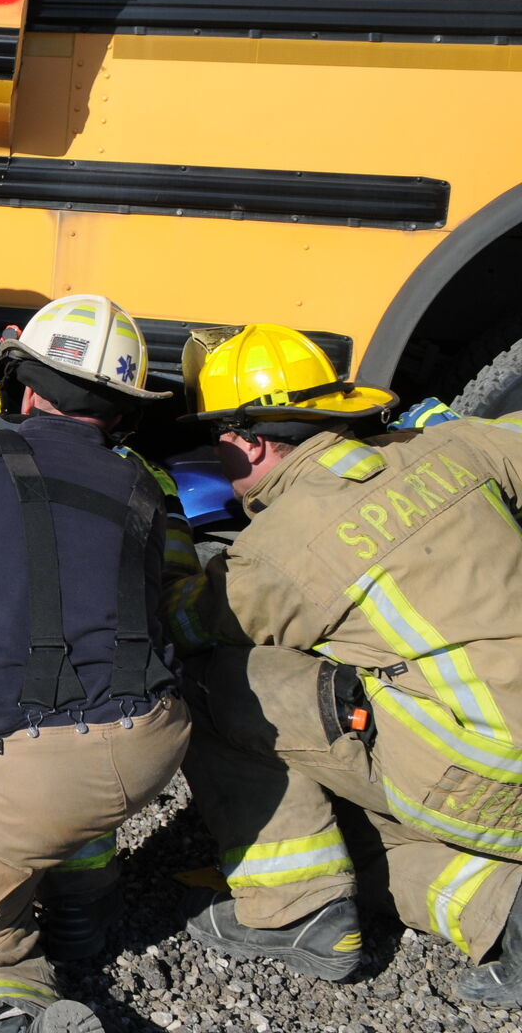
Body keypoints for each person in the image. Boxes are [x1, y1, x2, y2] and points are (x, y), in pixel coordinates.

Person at [172, 324, 522, 1008]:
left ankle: (296, 911)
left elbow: (185, 625)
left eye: (217, 441)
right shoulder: (451, 444)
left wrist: (170, 546)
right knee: (350, 819)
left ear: (250, 441)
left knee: (212, 683)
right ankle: (509, 905)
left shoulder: (283, 545)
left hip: (486, 775)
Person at [0, 294, 193, 1033]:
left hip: (33, 769)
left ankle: (4, 1009)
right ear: (120, 411)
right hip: (152, 740)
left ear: (24, 386)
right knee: (79, 787)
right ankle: (84, 921)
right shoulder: (144, 485)